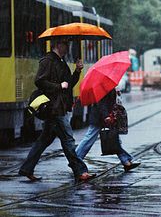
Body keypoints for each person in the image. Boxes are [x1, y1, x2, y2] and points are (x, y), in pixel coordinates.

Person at [19, 38, 94, 182]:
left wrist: (77, 72)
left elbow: (68, 84)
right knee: (68, 139)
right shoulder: (47, 61)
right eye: (65, 44)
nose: (67, 47)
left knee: (44, 140)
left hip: (59, 106)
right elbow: (39, 81)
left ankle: (27, 169)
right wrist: (58, 86)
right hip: (54, 108)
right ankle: (80, 171)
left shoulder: (60, 61)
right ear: (58, 45)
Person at [76, 88, 140, 172]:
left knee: (114, 139)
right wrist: (106, 116)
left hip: (105, 116)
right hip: (100, 117)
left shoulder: (108, 86)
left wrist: (115, 93)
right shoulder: (102, 86)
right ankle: (76, 159)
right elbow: (101, 102)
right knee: (89, 138)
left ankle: (126, 161)